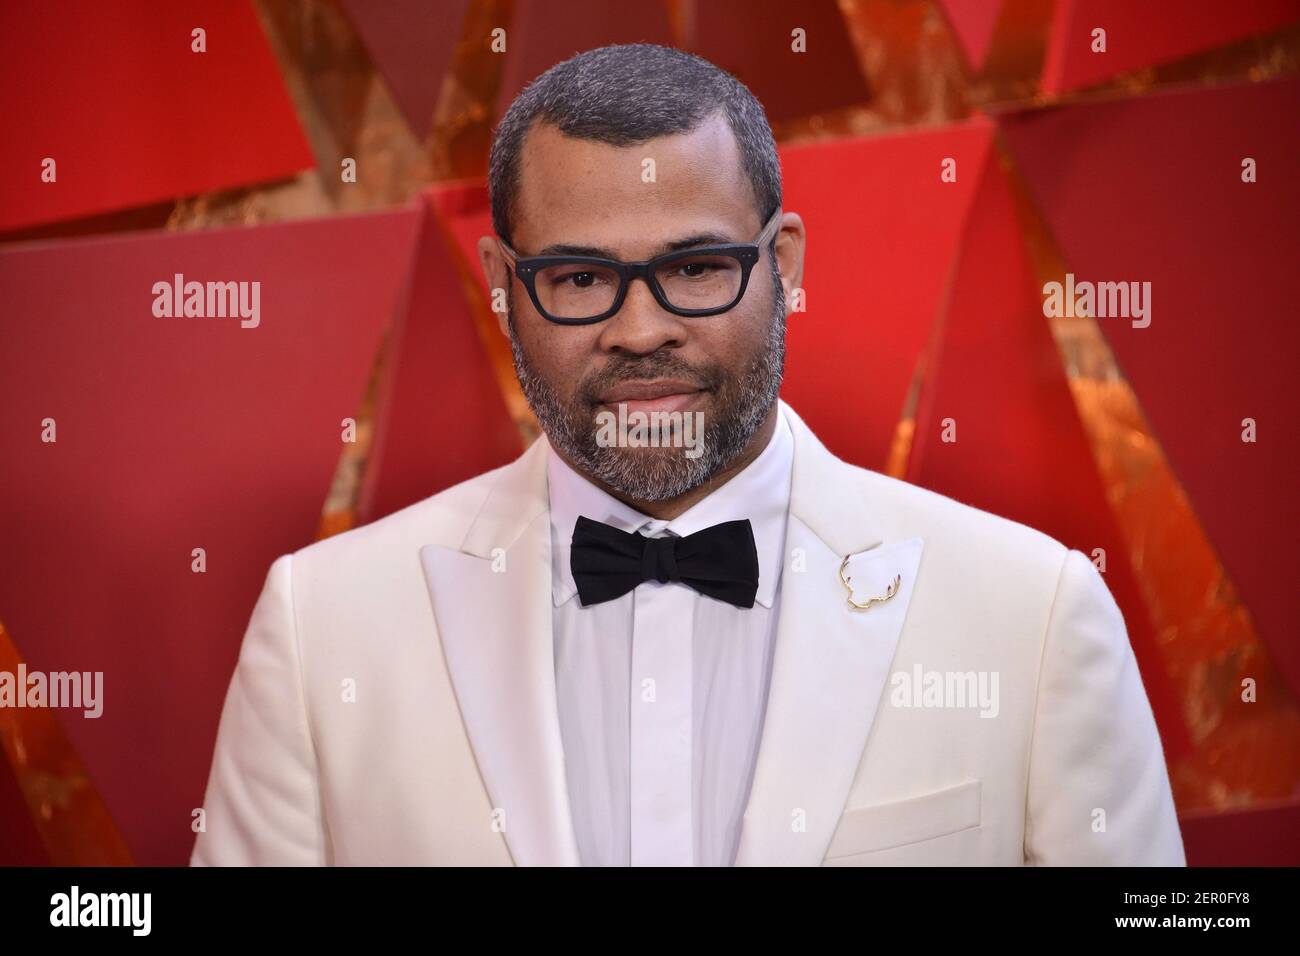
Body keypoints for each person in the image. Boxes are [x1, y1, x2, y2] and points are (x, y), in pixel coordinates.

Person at [191, 43, 1184, 866]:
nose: (639, 328)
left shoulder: (1031, 614)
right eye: (579, 278)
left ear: (783, 263)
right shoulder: (321, 629)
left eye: (694, 267)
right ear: (502, 282)